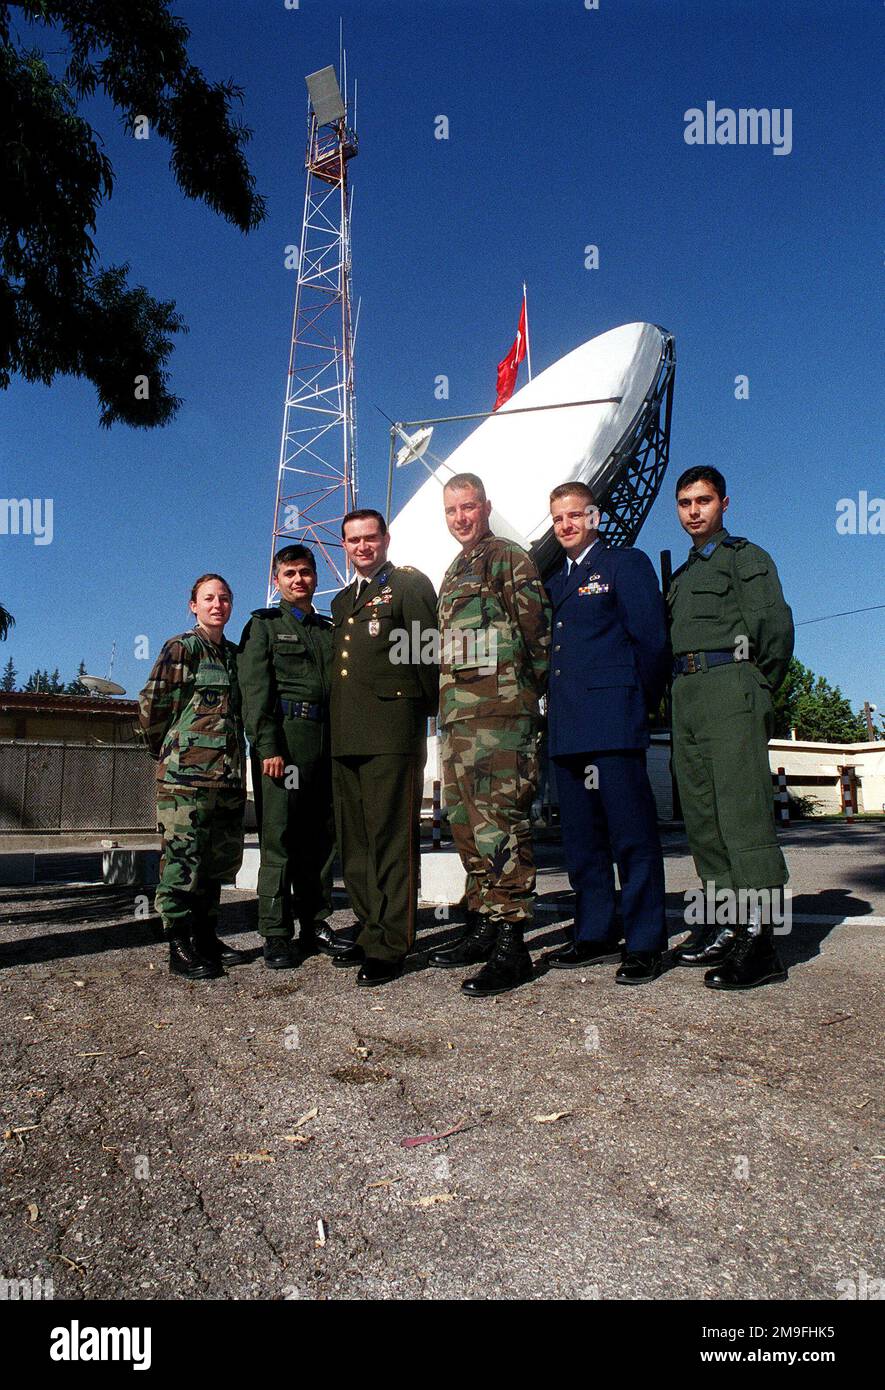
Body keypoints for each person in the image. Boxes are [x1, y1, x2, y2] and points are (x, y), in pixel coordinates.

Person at [668, 466, 794, 989]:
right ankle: (725, 922)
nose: (693, 511)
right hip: (687, 694)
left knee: (741, 811)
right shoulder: (678, 577)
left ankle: (760, 941)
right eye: (684, 503)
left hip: (731, 685)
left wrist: (757, 690)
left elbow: (774, 630)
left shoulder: (746, 558)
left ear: (723, 503)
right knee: (703, 815)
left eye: (703, 501)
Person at [543, 483, 671, 984]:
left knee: (631, 838)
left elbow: (653, 644)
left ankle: (643, 941)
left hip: (613, 725)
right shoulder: (554, 582)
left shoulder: (625, 564)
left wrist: (634, 702)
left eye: (575, 515)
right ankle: (594, 931)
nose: (566, 525)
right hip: (568, 728)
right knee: (582, 842)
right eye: (558, 518)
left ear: (594, 516)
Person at [430, 472, 551, 997]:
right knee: (464, 824)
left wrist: (522, 697)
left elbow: (537, 633)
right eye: (453, 510)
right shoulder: (454, 570)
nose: (461, 518)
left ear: (485, 507)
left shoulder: (508, 556)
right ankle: (480, 923)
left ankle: (513, 944)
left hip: (501, 717)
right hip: (458, 719)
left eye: (470, 507)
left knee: (499, 823)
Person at [329, 509, 439, 987]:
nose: (362, 547)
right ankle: (370, 925)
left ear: (386, 539)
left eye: (370, 538)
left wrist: (421, 717)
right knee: (355, 844)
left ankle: (392, 942)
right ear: (345, 546)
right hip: (345, 734)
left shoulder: (408, 585)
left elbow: (425, 657)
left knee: (391, 839)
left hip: (392, 732)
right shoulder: (339, 602)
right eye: (353, 540)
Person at [238, 544, 344, 969]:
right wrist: (267, 748)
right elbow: (255, 691)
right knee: (280, 839)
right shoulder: (263, 626)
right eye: (290, 574)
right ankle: (276, 932)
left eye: (305, 573)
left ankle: (315, 922)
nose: (299, 580)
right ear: (277, 580)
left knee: (320, 839)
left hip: (325, 743)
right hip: (286, 744)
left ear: (315, 578)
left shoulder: (328, 630)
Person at [139, 574, 247, 980]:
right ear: (194, 605)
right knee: (181, 863)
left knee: (217, 864)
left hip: (228, 778)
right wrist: (167, 754)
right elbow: (153, 707)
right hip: (184, 781)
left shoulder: (236, 657)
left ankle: (207, 936)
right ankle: (178, 944)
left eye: (223, 598)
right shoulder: (181, 649)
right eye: (208, 598)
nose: (217, 604)